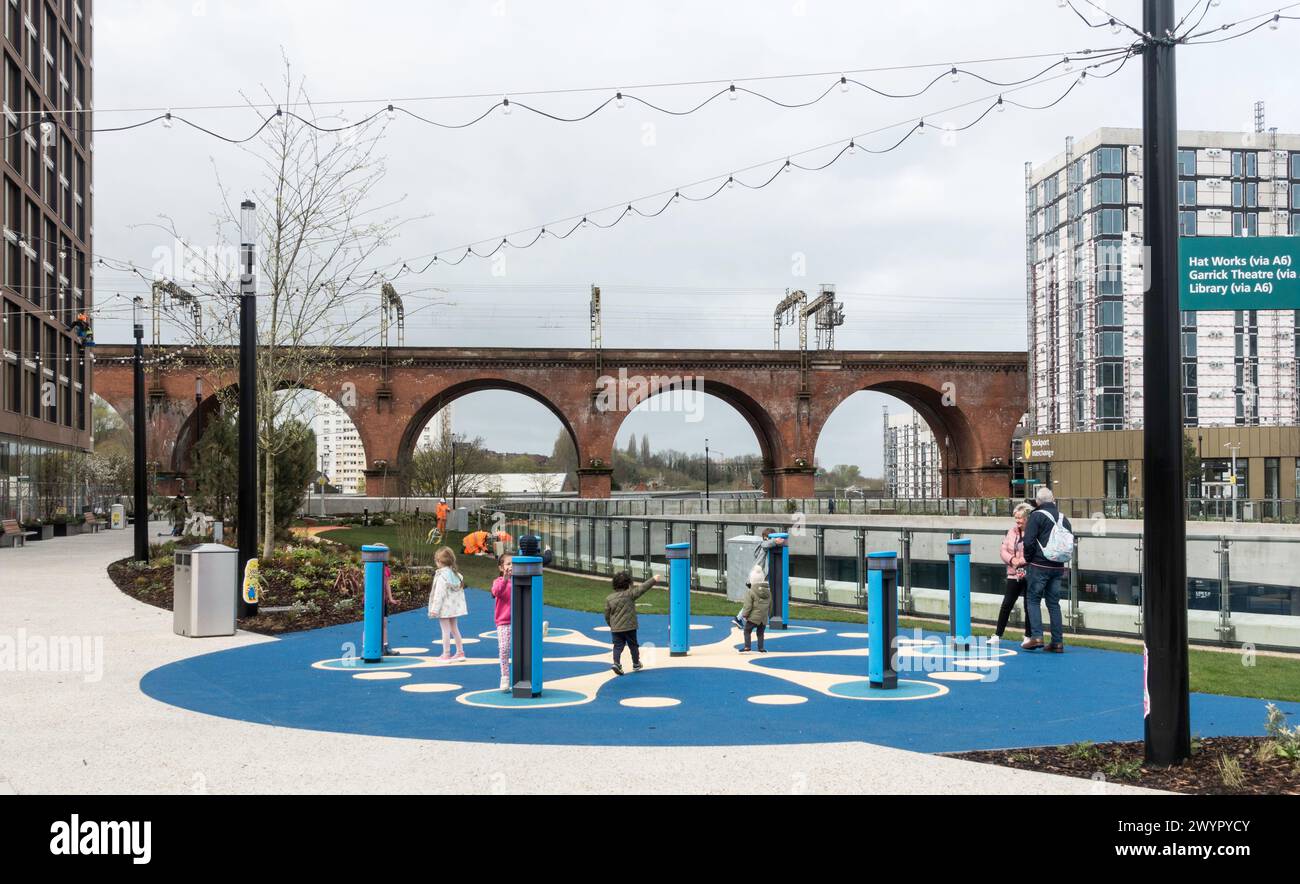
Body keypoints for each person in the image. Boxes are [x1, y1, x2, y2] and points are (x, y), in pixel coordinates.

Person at [1021, 486, 1072, 653]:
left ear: (1037, 501)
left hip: (1039, 565)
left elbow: (1028, 541)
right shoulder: (1064, 519)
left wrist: (1028, 559)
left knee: (1033, 599)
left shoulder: (1036, 516)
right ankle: (1057, 642)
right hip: (1058, 566)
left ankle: (1036, 637)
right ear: (1053, 500)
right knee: (1053, 603)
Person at [603, 570, 659, 675]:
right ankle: (636, 663)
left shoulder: (609, 599)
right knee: (633, 646)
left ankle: (616, 663)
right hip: (630, 627)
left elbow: (607, 614)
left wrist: (611, 625)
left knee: (617, 646)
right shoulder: (630, 594)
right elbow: (643, 588)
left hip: (616, 628)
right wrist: (653, 580)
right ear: (629, 584)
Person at [994, 502, 1034, 642]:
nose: (1017, 521)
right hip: (1013, 573)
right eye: (1016, 518)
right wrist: (1012, 560)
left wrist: (1021, 561)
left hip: (1029, 573)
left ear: (1027, 518)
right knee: (1007, 604)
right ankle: (997, 634)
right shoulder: (1011, 532)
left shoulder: (1033, 532)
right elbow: (1003, 550)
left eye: (1020, 518)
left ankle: (1028, 636)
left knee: (1028, 605)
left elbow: (1034, 553)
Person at [733, 528, 785, 631]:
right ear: (766, 538)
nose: (773, 540)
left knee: (755, 601)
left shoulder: (765, 547)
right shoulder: (763, 545)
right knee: (754, 601)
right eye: (771, 537)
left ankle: (743, 619)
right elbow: (765, 544)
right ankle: (739, 618)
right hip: (756, 579)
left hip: (754, 578)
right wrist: (775, 541)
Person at [427, 547, 468, 661]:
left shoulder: (441, 576)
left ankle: (446, 654)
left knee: (445, 631)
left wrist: (435, 609)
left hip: (444, 609)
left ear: (439, 561)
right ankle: (460, 652)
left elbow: (439, 594)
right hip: (453, 608)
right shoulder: (457, 575)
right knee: (455, 629)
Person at [491, 555, 513, 692]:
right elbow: (495, 592)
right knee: (504, 649)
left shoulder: (519, 581)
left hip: (519, 620)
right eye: (508, 564)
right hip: (504, 621)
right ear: (501, 567)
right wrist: (505, 579)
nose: (511, 567)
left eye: (514, 564)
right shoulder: (498, 581)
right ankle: (505, 676)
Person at [737, 579, 772, 653]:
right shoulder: (769, 593)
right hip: (763, 618)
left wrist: (744, 615)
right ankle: (761, 648)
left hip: (753, 617)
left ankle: (747, 647)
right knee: (760, 633)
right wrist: (767, 615)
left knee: (747, 630)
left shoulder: (751, 591)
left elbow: (748, 606)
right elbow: (770, 606)